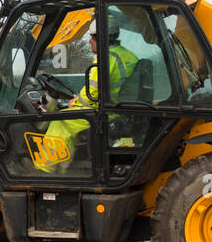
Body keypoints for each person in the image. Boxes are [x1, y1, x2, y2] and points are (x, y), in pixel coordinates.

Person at [34, 14, 138, 172]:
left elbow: (93, 93)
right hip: (119, 107)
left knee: (59, 121)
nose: (89, 41)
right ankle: (66, 165)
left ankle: (46, 171)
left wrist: (74, 103)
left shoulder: (106, 59)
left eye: (92, 37)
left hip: (107, 112)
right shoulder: (128, 55)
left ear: (102, 38)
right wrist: (78, 99)